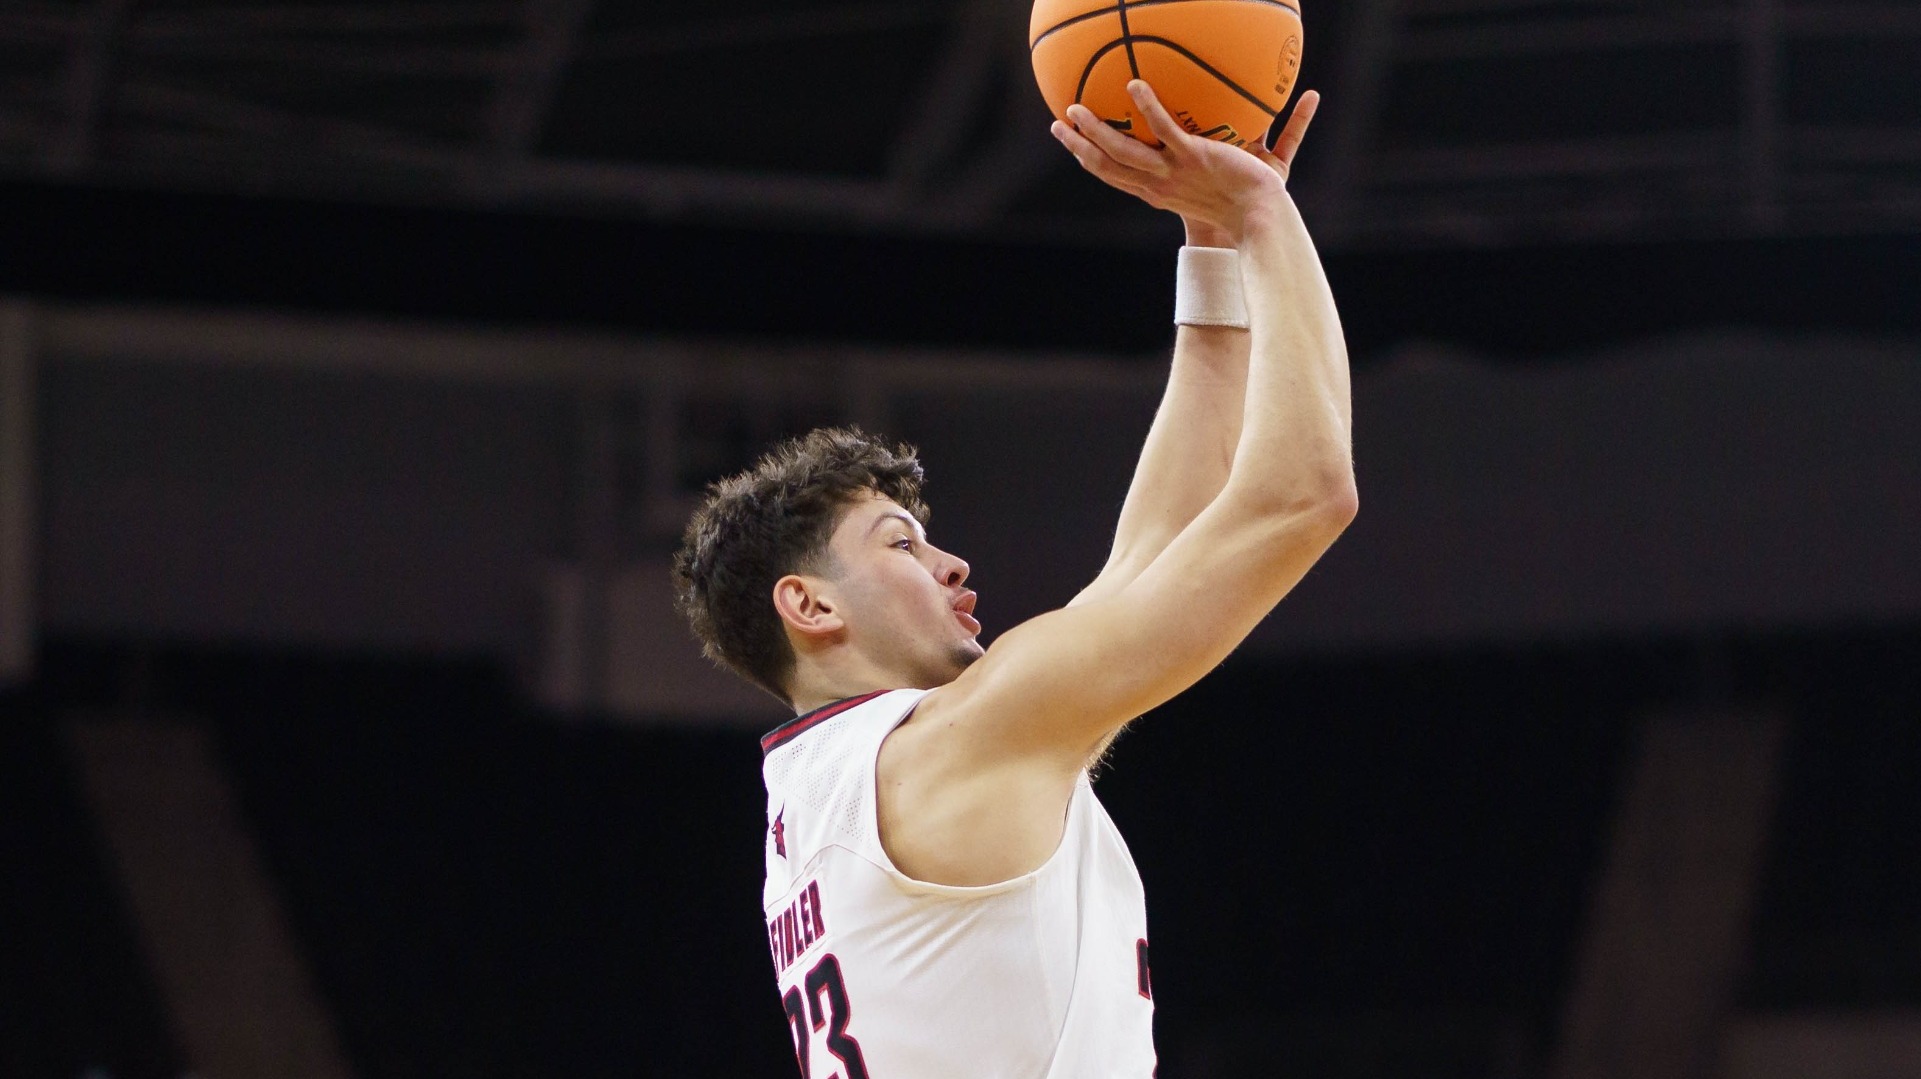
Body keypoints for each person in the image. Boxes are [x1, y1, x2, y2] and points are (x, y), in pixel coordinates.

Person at [673, 80, 1353, 1078]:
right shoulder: (948, 747)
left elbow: (1144, 563)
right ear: (809, 603)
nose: (951, 563)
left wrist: (1210, 245)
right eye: (900, 542)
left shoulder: (839, 787)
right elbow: (1303, 493)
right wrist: (1262, 215)